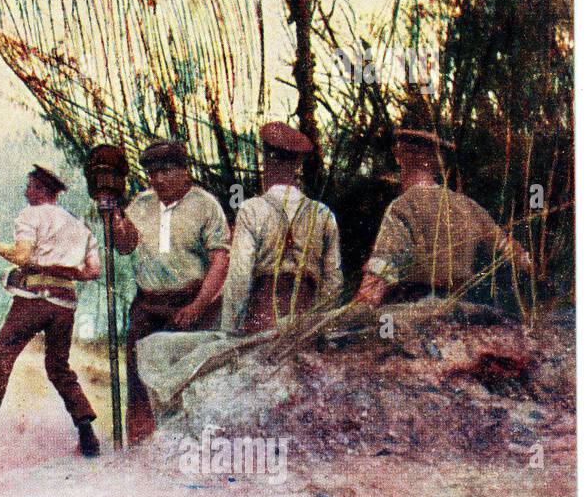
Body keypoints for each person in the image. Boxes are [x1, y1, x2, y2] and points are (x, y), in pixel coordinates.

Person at [0, 165, 103, 457]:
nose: (26, 192)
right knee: (58, 368)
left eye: (29, 186)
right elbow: (93, 272)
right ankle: (87, 432)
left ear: (40, 190)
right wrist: (62, 270)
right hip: (64, 304)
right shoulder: (80, 227)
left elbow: (21, 256)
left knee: (2, 356)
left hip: (33, 299)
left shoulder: (30, 215)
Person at [110, 140, 230, 443]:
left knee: (186, 381)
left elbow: (220, 261)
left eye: (165, 171)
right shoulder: (141, 204)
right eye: (152, 173)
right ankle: (139, 446)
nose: (158, 180)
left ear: (184, 171)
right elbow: (124, 247)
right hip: (147, 305)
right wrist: (116, 224)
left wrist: (199, 305)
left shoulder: (205, 206)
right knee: (140, 381)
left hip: (189, 304)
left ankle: (186, 447)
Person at [354, 128, 532, 307]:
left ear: (402, 157)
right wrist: (533, 268)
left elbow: (381, 269)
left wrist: (360, 308)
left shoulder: (403, 205)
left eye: (399, 151)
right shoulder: (468, 205)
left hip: (416, 309)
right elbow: (511, 250)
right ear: (437, 162)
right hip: (462, 307)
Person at [220, 122, 342, 335]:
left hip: (262, 322)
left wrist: (229, 330)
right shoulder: (323, 213)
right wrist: (321, 327)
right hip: (307, 326)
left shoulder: (251, 209)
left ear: (266, 159)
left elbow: (239, 276)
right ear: (298, 163)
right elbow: (333, 281)